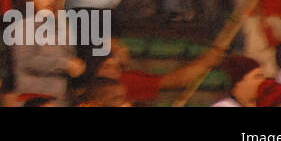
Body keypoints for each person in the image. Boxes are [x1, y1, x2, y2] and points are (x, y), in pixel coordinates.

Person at [9, 0, 85, 106]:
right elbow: (27, 60)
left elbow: (69, 53)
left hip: (59, 97)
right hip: (36, 98)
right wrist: (64, 64)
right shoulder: (24, 26)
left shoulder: (55, 25)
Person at [94, 36, 224, 106]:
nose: (113, 71)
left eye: (116, 68)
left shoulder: (127, 81)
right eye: (106, 67)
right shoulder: (80, 79)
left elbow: (174, 81)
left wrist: (205, 62)